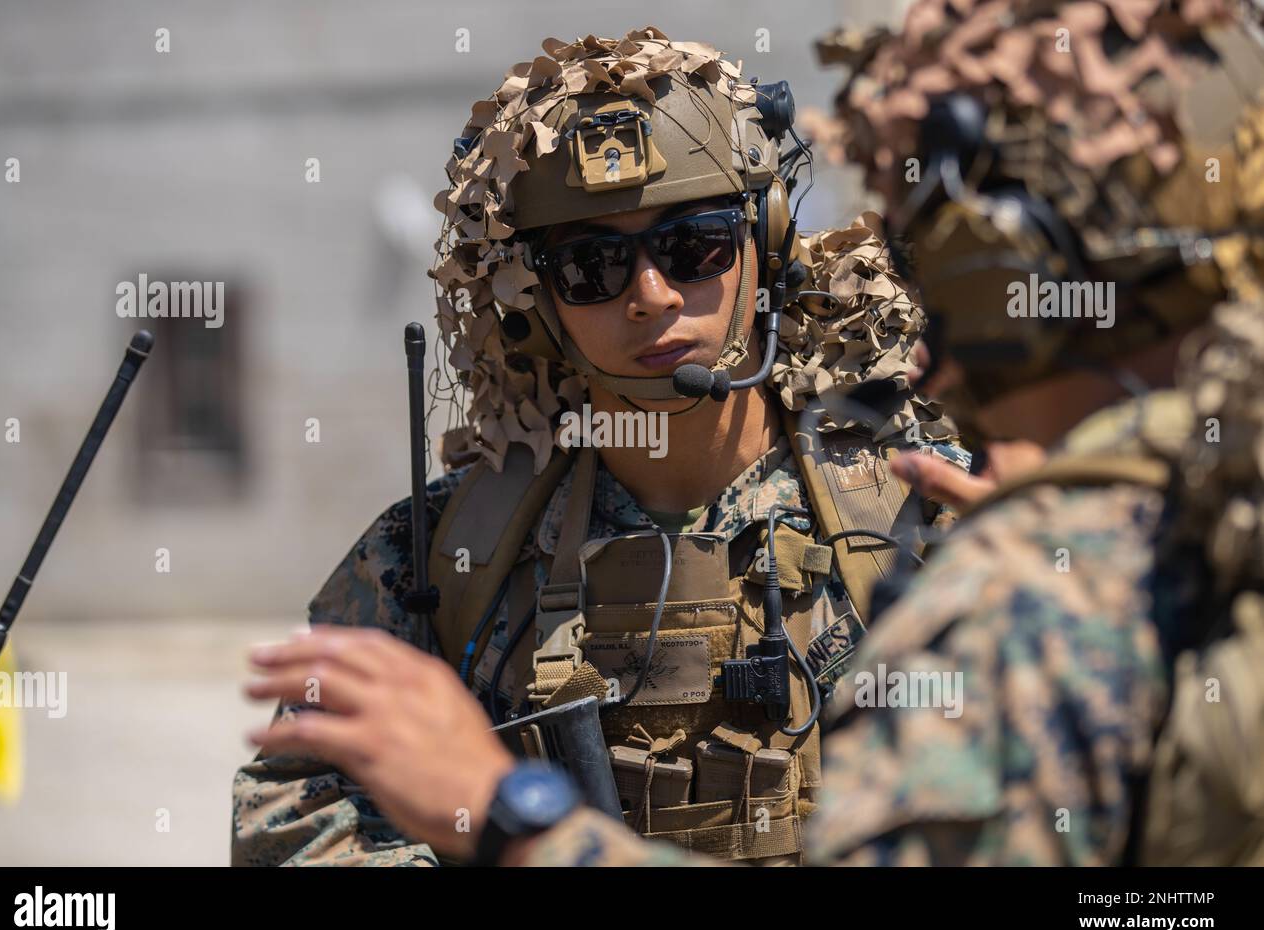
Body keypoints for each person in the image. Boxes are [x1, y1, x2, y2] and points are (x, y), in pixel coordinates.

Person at [232, 26, 969, 866]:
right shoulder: (443, 559)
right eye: (591, 266)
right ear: (536, 301)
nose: (652, 296)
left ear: (763, 245)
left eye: (694, 244)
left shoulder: (924, 515)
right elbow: (296, 812)